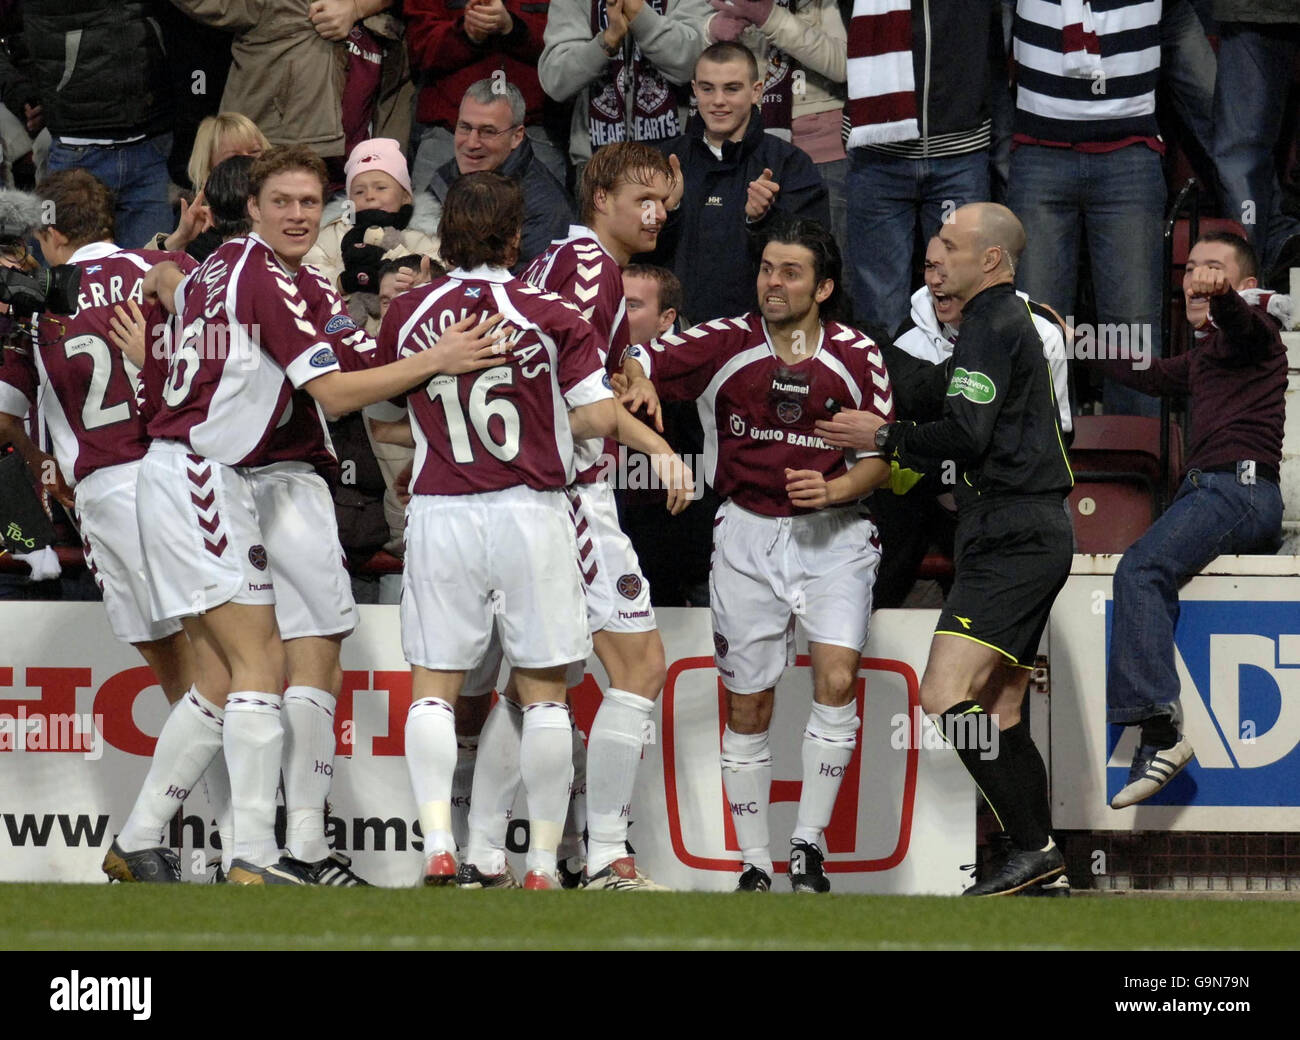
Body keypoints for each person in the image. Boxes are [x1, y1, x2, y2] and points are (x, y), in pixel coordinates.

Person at [133, 145, 507, 885]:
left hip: (268, 474)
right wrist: (438, 360)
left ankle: (299, 844)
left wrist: (411, 328)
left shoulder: (274, 274)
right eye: (283, 203)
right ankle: (250, 853)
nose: (299, 215)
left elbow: (171, 284)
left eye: (310, 203)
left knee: (319, 636)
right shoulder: (266, 278)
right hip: (205, 472)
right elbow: (336, 393)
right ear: (255, 208)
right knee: (252, 663)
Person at [622, 220, 894, 892]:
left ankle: (807, 846)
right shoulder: (725, 342)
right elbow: (633, 357)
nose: (773, 282)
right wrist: (641, 380)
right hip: (745, 533)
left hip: (835, 537)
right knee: (748, 706)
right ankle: (753, 862)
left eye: (791, 272)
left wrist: (833, 488)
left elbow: (881, 463)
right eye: (768, 268)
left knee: (835, 683)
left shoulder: (859, 355)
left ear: (824, 287)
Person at [447, 141, 691, 891]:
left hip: (533, 491)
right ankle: (610, 852)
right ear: (600, 201)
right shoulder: (590, 272)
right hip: (570, 492)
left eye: (664, 201)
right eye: (642, 198)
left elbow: (572, 362)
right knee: (639, 665)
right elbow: (564, 398)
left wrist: (634, 368)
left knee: (534, 682)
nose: (656, 212)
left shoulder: (573, 263)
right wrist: (655, 444)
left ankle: (484, 854)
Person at [382, 170, 619, 891]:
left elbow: (383, 404)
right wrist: (553, 430)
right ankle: (544, 864)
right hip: (530, 509)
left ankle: (437, 848)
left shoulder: (409, 312)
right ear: (517, 234)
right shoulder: (551, 312)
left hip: (443, 508)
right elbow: (601, 418)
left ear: (447, 232)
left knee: (434, 686)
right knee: (545, 691)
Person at [847, 202, 1075, 896]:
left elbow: (967, 434)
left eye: (950, 245)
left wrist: (886, 436)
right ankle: (1042, 868)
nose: (936, 257)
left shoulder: (989, 322)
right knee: (1002, 709)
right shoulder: (1011, 324)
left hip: (1011, 533)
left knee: (944, 694)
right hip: (1026, 530)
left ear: (992, 260)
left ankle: (1031, 848)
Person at [0, 171, 212, 882]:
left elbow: (4, 414)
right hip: (176, 477)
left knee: (182, 682)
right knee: (219, 673)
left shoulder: (33, 303)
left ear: (50, 232)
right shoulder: (157, 271)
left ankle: (184, 847)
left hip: (101, 492)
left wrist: (44, 462)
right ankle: (214, 847)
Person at [1086, 232, 1288, 809]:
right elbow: (1149, 373)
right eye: (1192, 266)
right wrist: (1081, 340)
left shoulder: (1256, 334)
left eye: (1215, 268)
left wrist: (1224, 298)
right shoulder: (1205, 356)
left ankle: (1158, 732)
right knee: (1147, 571)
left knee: (1140, 568)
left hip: (1237, 490)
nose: (1197, 275)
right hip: (1220, 491)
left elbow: (1242, 323)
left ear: (1248, 287)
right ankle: (1156, 728)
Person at [869, 234, 1072, 607]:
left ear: (984, 266)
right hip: (926, 493)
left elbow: (1055, 436)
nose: (935, 280)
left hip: (1004, 494)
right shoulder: (907, 340)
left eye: (947, 267)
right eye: (929, 267)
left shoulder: (1040, 330)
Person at [1007, 0, 1165, 417]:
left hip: (1130, 153)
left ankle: (1140, 467)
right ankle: (1040, 470)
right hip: (1038, 152)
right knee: (1038, 325)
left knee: (1132, 332)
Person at [646, 42, 830, 325]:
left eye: (731, 88)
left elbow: (814, 262)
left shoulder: (790, 164)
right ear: (694, 90)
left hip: (761, 336)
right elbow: (636, 255)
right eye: (707, 89)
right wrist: (670, 212)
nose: (718, 100)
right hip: (675, 335)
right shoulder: (661, 162)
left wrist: (761, 222)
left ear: (756, 91)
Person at [842, 0, 995, 332]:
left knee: (963, 298)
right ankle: (884, 385)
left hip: (959, 149)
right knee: (879, 308)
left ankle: (963, 383)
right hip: (877, 153)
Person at [25, 1, 174, 249]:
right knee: (64, 281)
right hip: (77, 149)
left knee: (153, 276)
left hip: (151, 142)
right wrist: (26, 92)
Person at [704, 0, 849, 247]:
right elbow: (694, 74)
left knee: (829, 261)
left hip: (823, 152)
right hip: (748, 150)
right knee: (745, 257)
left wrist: (769, 16)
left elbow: (845, 65)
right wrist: (709, 33)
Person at [405, 0, 565, 192]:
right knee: (429, 220)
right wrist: (466, 34)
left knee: (547, 218)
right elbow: (418, 47)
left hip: (535, 130)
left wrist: (515, 28)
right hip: (449, 132)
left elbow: (567, 51)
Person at [423, 79, 573, 272]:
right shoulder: (445, 177)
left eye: (488, 132)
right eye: (465, 127)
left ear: (516, 137)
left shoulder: (546, 209)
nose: (472, 143)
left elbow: (530, 289)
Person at [539, 0, 709, 169]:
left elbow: (693, 67)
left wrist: (640, 15)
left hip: (675, 159)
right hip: (597, 165)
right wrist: (606, 42)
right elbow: (556, 82)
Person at [304, 137, 441, 333]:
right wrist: (342, 282)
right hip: (345, 335)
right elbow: (309, 273)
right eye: (359, 191)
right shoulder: (332, 234)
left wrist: (395, 265)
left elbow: (436, 272)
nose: (369, 195)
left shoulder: (423, 236)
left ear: (405, 196)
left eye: (381, 188)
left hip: (404, 333)